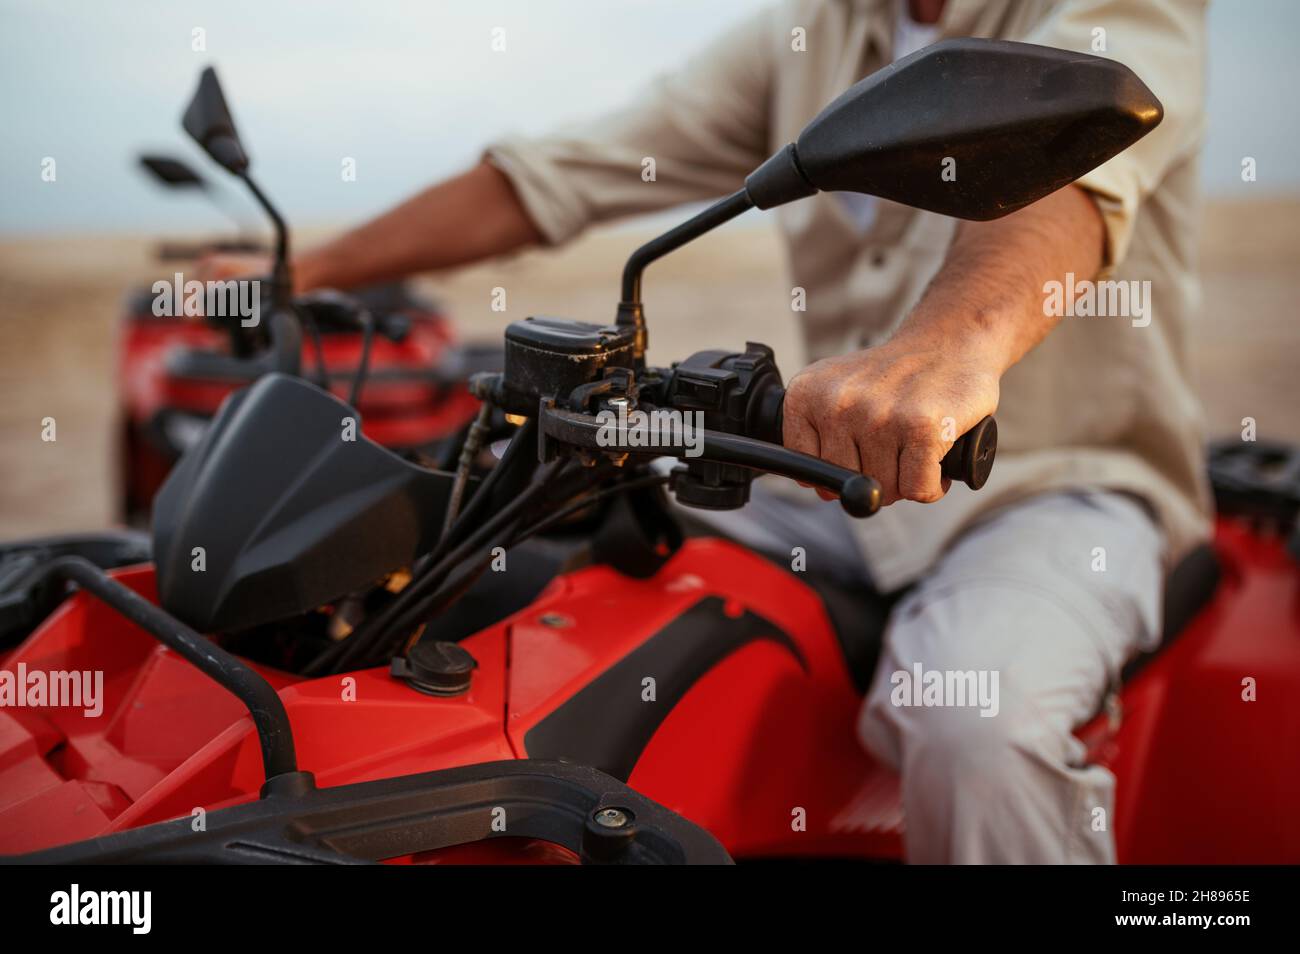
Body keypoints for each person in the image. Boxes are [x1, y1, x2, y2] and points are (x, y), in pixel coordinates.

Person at [203, 0, 1211, 863]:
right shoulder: (812, 30)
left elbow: (1070, 187)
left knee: (974, 724)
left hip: (1050, 490)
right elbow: (557, 172)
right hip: (830, 484)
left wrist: (949, 350)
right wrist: (306, 275)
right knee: (524, 574)